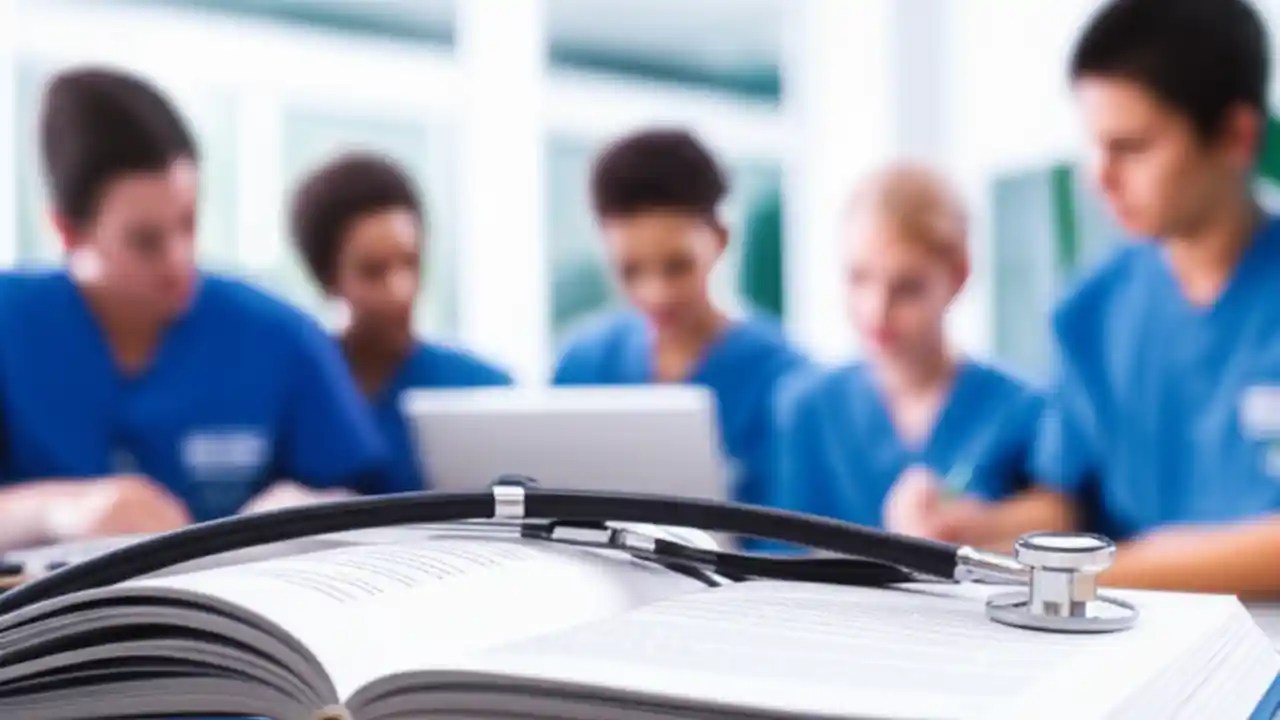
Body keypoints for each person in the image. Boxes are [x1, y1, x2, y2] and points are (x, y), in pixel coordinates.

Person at [897, 0, 1280, 598]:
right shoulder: (1093, 311)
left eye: (1132, 147)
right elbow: (1065, 502)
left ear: (1235, 135)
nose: (1098, 177)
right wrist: (969, 531)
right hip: (1125, 636)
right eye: (1095, 145)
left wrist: (1094, 573)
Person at [0, 68, 389, 550]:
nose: (179, 259)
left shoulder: (281, 340)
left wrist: (312, 507)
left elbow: (377, 506)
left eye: (189, 222)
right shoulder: (12, 326)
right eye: (145, 241)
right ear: (66, 232)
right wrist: (59, 509)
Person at [775, 165, 1042, 530]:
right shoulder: (806, 409)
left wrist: (979, 525)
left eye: (907, 287)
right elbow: (779, 556)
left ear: (959, 276)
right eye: (858, 278)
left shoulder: (1021, 410)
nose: (876, 311)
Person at [553, 129, 809, 508]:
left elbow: (794, 537)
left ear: (720, 239)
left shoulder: (785, 379)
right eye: (630, 271)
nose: (656, 294)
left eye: (678, 267)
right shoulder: (582, 365)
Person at [291, 153, 512, 493]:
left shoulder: (483, 390)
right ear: (328, 278)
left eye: (411, 263)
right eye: (373, 271)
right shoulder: (295, 387)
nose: (401, 290)